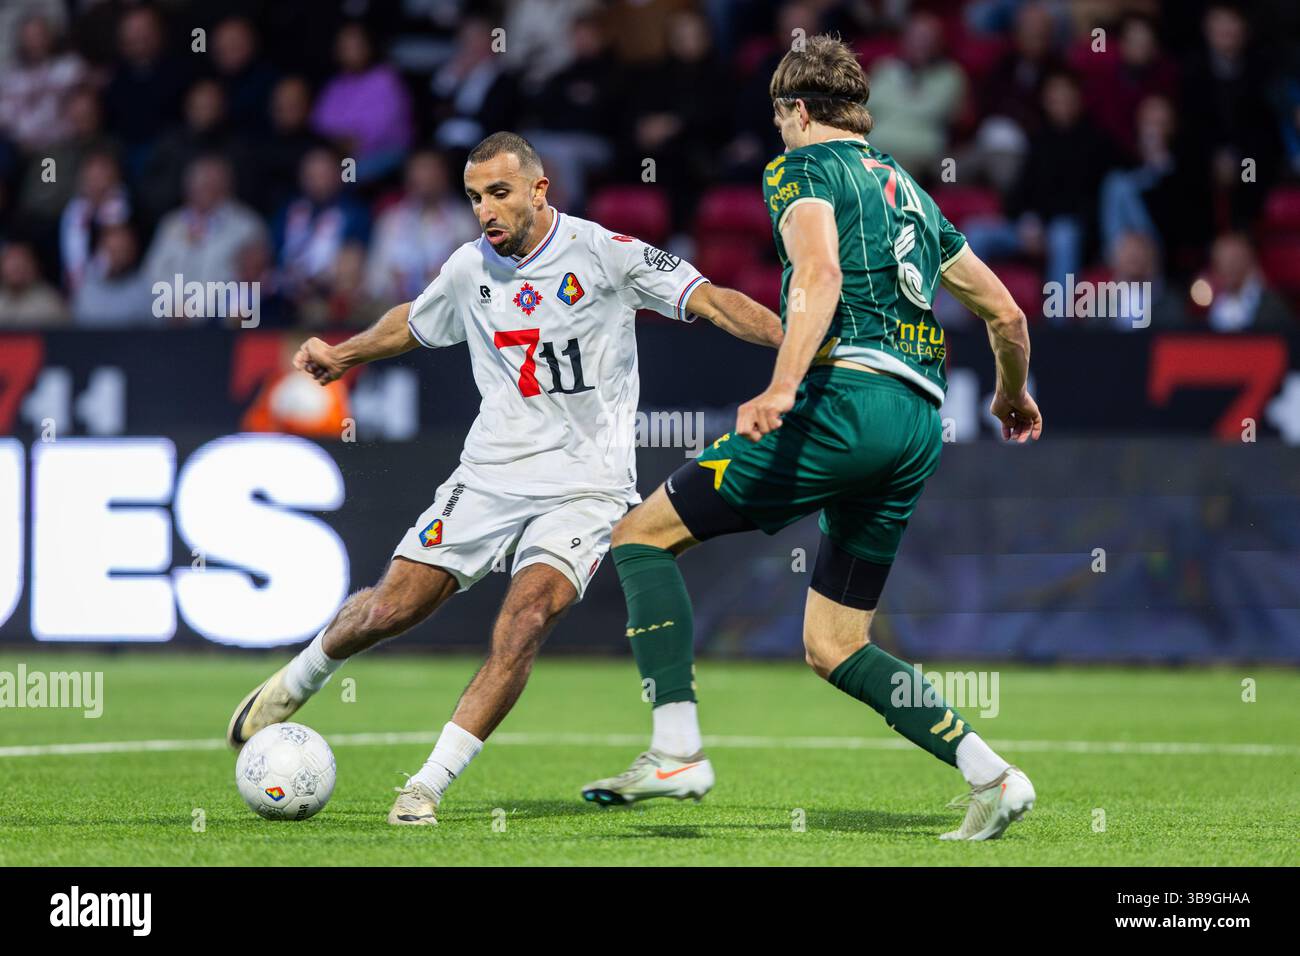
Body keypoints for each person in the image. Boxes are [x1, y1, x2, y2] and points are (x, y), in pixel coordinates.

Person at [225, 132, 783, 826]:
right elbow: (415, 322)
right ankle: (296, 680)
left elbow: (714, 300)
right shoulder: (468, 268)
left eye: (499, 193)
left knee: (524, 619)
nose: (485, 210)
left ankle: (425, 785)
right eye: (473, 197)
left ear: (538, 190)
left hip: (586, 489)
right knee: (388, 610)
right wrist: (345, 354)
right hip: (487, 477)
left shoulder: (605, 255)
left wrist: (798, 345)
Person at [582, 35, 1043, 842]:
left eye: (779, 119)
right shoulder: (910, 190)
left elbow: (821, 276)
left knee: (640, 537)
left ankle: (676, 748)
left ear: (794, 110)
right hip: (917, 422)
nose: (779, 134)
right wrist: (1011, 396)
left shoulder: (800, 170)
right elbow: (1006, 313)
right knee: (835, 644)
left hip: (844, 403)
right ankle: (991, 775)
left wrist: (784, 385)